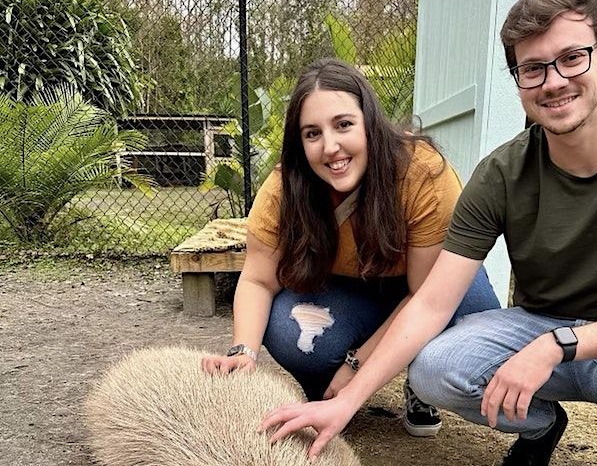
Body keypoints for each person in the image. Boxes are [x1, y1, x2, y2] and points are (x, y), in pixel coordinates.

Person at [261, 0, 597, 466]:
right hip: (537, 321)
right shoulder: (502, 171)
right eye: (533, 68)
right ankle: (539, 425)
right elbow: (431, 302)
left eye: (572, 58)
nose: (553, 82)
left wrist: (556, 345)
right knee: (433, 370)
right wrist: (347, 399)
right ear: (519, 80)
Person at [202, 58, 500, 436]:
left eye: (343, 125)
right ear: (299, 142)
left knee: (470, 334)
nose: (330, 147)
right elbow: (258, 280)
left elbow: (426, 297)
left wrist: (355, 368)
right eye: (312, 133)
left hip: (428, 287)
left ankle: (417, 386)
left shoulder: (422, 172)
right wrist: (243, 351)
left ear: (370, 122)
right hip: (352, 291)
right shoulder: (284, 189)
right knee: (290, 330)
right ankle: (326, 390)